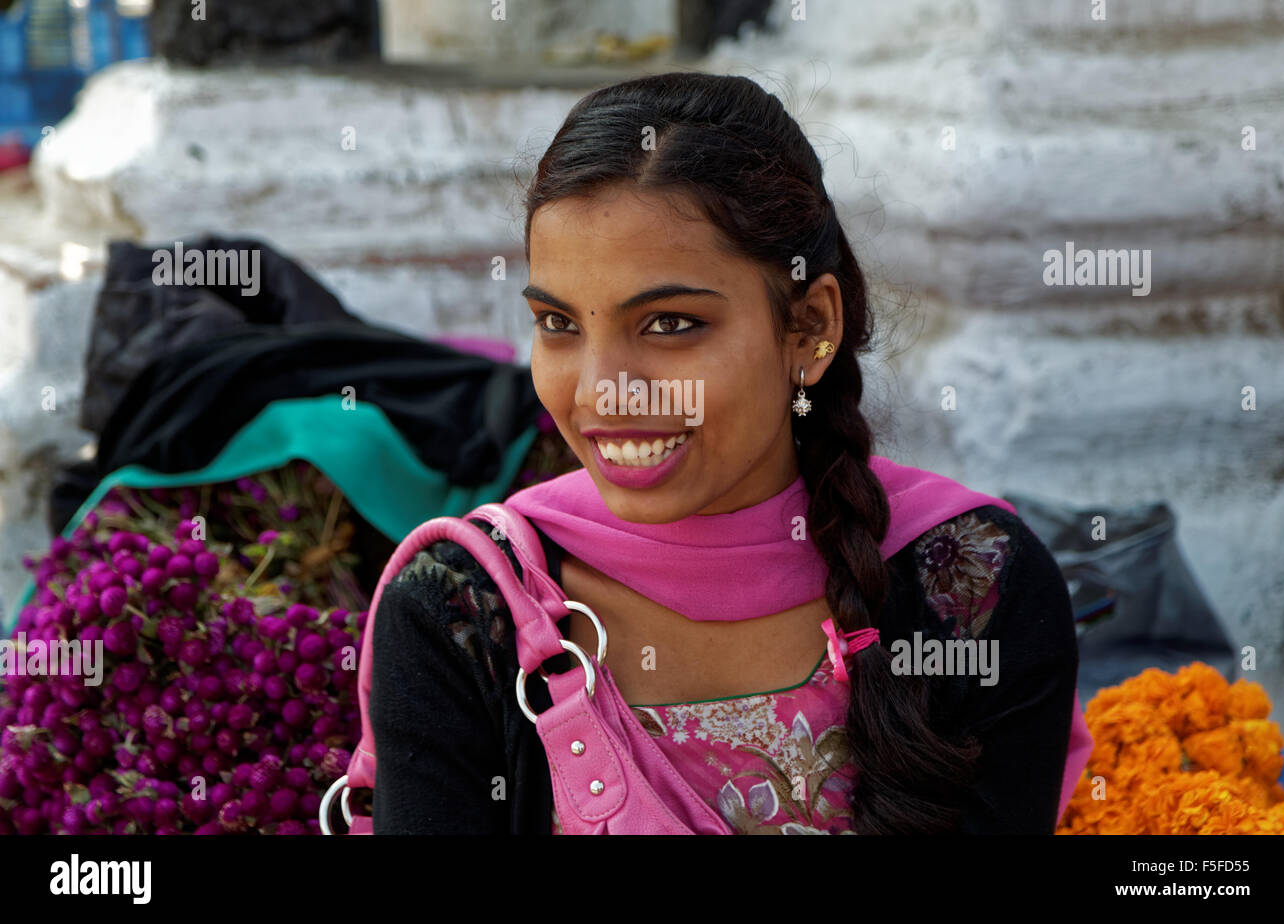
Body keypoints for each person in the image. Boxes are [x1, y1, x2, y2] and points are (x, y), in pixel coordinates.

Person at [368, 72, 1085, 834]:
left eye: (670, 324)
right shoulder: (467, 609)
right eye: (560, 324)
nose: (604, 391)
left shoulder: (972, 582)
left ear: (808, 328)